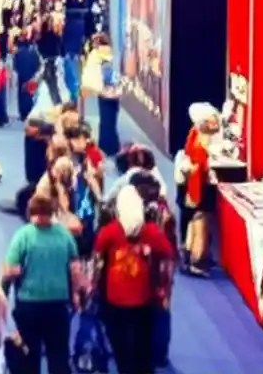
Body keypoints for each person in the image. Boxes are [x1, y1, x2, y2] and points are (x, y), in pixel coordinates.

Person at [92, 185, 175, 374]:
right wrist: (165, 289)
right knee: (142, 347)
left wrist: (93, 287)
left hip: (116, 300)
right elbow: (168, 260)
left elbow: (97, 263)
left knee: (121, 348)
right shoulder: (152, 232)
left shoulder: (110, 232)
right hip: (143, 300)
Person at [2, 193, 83, 374]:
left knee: (28, 356)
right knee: (58, 355)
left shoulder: (23, 236)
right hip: (57, 305)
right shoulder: (64, 235)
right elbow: (75, 269)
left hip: (29, 304)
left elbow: (10, 271)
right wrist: (77, 295)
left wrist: (3, 293)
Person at [178, 103, 219, 275]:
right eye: (212, 121)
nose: (216, 123)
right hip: (198, 189)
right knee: (200, 226)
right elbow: (204, 167)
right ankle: (197, 262)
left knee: (192, 225)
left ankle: (188, 258)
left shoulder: (193, 134)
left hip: (191, 188)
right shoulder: (201, 144)